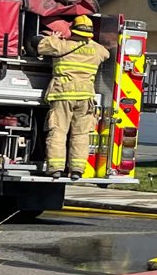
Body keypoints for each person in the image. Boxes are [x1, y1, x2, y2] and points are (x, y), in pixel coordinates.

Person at [36, 15, 109, 178]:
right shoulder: (98, 49)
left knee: (58, 131)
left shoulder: (61, 45)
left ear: (73, 30)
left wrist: (53, 37)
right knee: (81, 134)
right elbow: (106, 54)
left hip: (63, 95)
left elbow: (40, 46)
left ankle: (55, 168)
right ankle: (77, 169)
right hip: (86, 98)